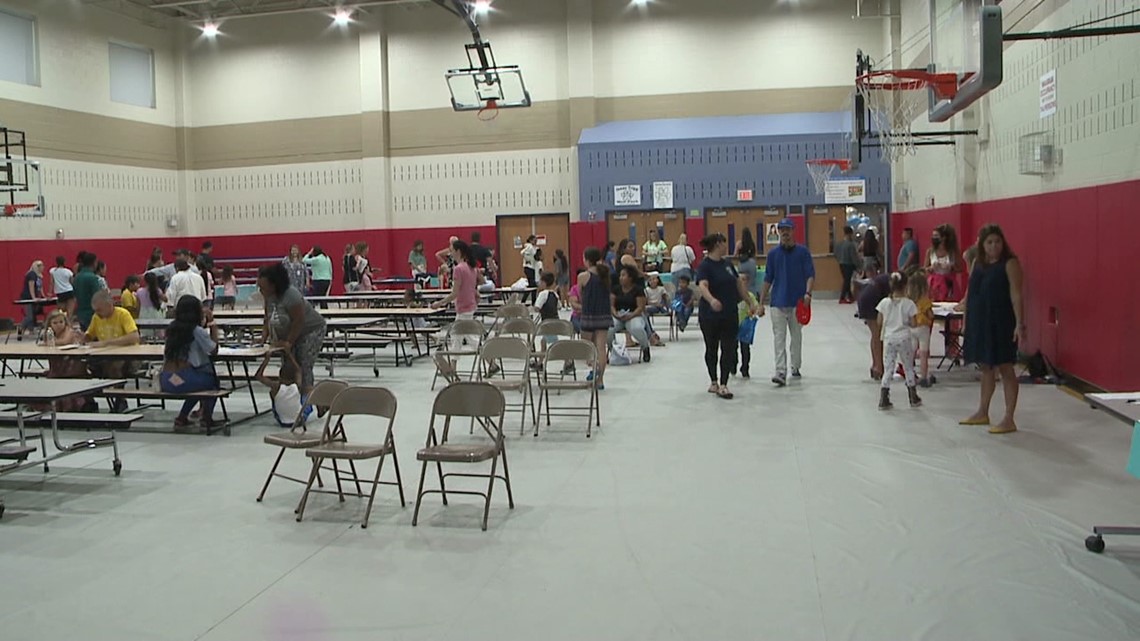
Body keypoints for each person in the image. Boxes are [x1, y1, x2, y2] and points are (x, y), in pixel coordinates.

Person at [959, 224, 1024, 434]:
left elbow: (1016, 295)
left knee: (1005, 367)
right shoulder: (978, 263)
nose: (994, 246)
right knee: (986, 366)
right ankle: (983, 411)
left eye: (997, 241)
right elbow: (970, 293)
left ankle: (1009, 417)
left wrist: (1019, 323)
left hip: (1001, 321)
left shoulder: (1010, 264)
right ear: (982, 244)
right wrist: (966, 321)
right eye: (989, 242)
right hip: (981, 321)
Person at [696, 233, 759, 399]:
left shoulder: (728, 264)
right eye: (724, 243)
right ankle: (714, 381)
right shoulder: (705, 266)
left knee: (728, 348)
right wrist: (711, 300)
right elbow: (702, 285)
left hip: (729, 313)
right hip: (710, 314)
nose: (727, 246)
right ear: (718, 244)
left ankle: (724, 384)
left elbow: (739, 284)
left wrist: (750, 302)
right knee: (712, 348)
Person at [258, 263, 328, 399]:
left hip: (311, 330)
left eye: (263, 287)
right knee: (288, 367)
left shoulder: (292, 295)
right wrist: (263, 337)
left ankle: (307, 401)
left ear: (274, 285)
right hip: (291, 332)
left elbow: (298, 321)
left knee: (303, 364)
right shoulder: (268, 296)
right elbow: (267, 317)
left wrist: (289, 342)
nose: (261, 290)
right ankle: (291, 397)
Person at [759, 219, 814, 386]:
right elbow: (768, 278)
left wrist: (808, 293)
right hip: (778, 302)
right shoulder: (773, 254)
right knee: (779, 338)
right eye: (782, 230)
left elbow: (810, 275)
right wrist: (761, 301)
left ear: (793, 231)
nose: (784, 233)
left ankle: (795, 366)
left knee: (796, 337)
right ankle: (780, 371)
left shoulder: (803, 253)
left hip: (797, 302)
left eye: (787, 230)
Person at [160, 296, 222, 431]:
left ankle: (182, 417)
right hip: (185, 381)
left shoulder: (171, 329)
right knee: (212, 383)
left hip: (167, 380)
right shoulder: (196, 330)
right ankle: (207, 418)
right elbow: (213, 350)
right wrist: (213, 326)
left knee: (197, 385)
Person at [85, 290, 141, 412]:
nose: (97, 313)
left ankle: (120, 400)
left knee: (115, 365)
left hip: (129, 357)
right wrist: (82, 338)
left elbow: (134, 337)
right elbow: (89, 335)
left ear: (109, 306)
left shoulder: (123, 314)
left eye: (99, 310)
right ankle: (87, 401)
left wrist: (106, 343)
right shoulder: (96, 317)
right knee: (81, 366)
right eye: (95, 310)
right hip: (104, 356)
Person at [875, 272, 922, 410]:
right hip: (904, 338)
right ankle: (913, 396)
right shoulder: (909, 304)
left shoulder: (884, 302)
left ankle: (884, 397)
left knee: (889, 367)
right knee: (908, 367)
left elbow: (879, 321)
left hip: (889, 338)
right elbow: (913, 323)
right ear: (906, 285)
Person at [34, 310, 90, 412]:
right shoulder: (49, 333)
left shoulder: (69, 330)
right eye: (55, 323)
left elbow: (65, 342)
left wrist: (48, 343)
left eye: (61, 322)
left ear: (65, 322)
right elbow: (48, 343)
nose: (59, 325)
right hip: (57, 367)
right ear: (50, 324)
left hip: (72, 367)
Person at [430, 240, 480, 350]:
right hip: (469, 306)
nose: (450, 253)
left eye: (451, 250)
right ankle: (453, 363)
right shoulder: (472, 268)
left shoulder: (458, 269)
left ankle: (490, 361)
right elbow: (475, 291)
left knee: (466, 337)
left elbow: (454, 293)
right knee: (458, 337)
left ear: (458, 251)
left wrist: (439, 303)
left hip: (463, 308)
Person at [578, 248, 613, 390]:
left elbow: (581, 295)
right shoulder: (605, 274)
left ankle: (593, 369)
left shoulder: (583, 276)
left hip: (588, 315)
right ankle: (600, 379)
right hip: (603, 314)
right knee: (601, 348)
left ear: (587, 260)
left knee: (587, 347)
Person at [255, 351, 310, 427]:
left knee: (273, 394)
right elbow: (298, 370)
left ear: (280, 377)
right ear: (294, 378)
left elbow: (258, 376)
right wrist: (289, 354)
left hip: (282, 422)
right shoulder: (297, 386)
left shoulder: (276, 387)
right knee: (305, 398)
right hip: (298, 422)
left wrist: (266, 360)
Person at [609, 265, 651, 363]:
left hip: (634, 314)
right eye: (620, 275)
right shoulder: (615, 289)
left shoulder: (638, 290)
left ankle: (645, 347)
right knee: (608, 329)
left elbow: (640, 307)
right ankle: (613, 350)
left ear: (630, 278)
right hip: (618, 314)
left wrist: (630, 316)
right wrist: (615, 314)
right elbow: (611, 305)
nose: (621, 278)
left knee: (637, 328)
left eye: (623, 275)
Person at [857, 272, 891, 381]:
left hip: (865, 297)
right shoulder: (896, 283)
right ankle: (879, 367)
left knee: (875, 334)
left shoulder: (888, 278)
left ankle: (875, 365)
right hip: (870, 300)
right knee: (877, 335)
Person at [907, 272, 935, 388]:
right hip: (923, 328)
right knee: (923, 353)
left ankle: (910, 376)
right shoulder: (925, 300)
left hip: (912, 327)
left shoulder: (909, 301)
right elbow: (930, 315)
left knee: (912, 352)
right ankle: (923, 377)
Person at [926, 224, 960, 301]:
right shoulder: (930, 251)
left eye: (936, 236)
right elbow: (924, 270)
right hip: (934, 285)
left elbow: (960, 268)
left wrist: (951, 267)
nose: (933, 238)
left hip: (949, 284)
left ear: (943, 238)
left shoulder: (953, 252)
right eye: (933, 236)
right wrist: (931, 268)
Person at [736, 275, 760, 379]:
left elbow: (756, 306)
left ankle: (745, 367)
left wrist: (755, 310)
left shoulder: (750, 296)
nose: (742, 282)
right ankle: (733, 363)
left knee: (745, 348)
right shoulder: (733, 295)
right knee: (732, 348)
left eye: (744, 280)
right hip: (733, 325)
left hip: (745, 326)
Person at [73, 252, 102, 330]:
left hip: (80, 313)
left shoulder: (77, 277)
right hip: (92, 313)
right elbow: (98, 296)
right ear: (94, 263)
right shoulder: (92, 277)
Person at [17, 260, 46, 340]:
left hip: (34, 297)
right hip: (27, 298)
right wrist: (33, 298)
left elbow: (40, 287)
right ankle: (20, 328)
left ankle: (31, 329)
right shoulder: (32, 274)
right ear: (37, 267)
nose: (43, 267)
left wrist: (44, 296)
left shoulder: (39, 276)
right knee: (29, 316)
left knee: (33, 315)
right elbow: (31, 286)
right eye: (41, 266)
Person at [835, 226, 859, 304]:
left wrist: (839, 260)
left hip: (841, 264)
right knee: (847, 281)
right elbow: (854, 257)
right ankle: (842, 297)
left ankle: (850, 296)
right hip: (849, 264)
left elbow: (836, 254)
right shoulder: (851, 245)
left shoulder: (839, 244)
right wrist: (858, 266)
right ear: (850, 234)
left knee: (846, 280)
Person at [643, 272, 667, 346]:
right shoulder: (646, 290)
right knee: (645, 313)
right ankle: (652, 333)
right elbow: (646, 301)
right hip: (650, 306)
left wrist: (664, 304)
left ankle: (651, 334)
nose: (652, 281)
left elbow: (665, 299)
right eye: (650, 280)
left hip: (658, 307)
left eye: (654, 279)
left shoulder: (661, 289)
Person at [737, 228, 759, 295]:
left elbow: (735, 254)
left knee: (742, 282)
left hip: (742, 263)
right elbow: (754, 254)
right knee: (751, 283)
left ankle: (743, 295)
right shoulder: (752, 243)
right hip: (751, 263)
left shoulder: (739, 243)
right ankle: (752, 296)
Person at [521, 234, 538, 303]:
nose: (536, 241)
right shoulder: (529, 246)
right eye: (534, 240)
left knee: (532, 285)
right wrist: (528, 260)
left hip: (532, 267)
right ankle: (531, 301)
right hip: (529, 267)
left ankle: (527, 300)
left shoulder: (533, 247)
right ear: (530, 240)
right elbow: (522, 253)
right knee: (532, 285)